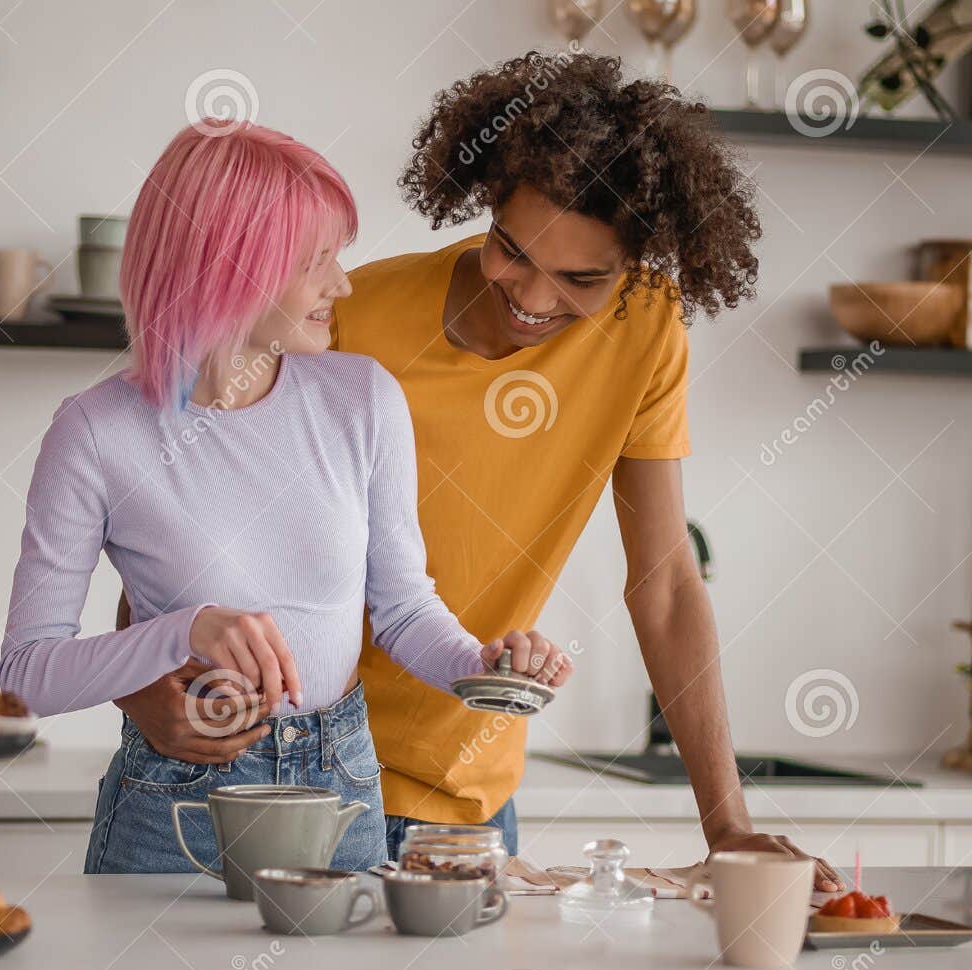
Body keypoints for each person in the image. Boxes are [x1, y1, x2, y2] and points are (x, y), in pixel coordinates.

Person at [115, 55, 840, 889]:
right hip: (296, 778)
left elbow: (667, 579)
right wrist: (141, 691)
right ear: (485, 201)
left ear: (639, 261)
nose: (531, 295)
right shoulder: (354, 318)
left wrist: (729, 828)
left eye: (582, 278)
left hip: (466, 802)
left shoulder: (647, 334)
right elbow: (187, 527)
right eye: (510, 249)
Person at [0, 120, 572, 875]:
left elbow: (403, 608)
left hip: (343, 788)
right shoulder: (95, 433)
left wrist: (485, 664)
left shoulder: (362, 397)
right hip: (177, 804)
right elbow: (29, 672)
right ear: (230, 268)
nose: (343, 283)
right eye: (317, 261)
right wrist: (186, 632)